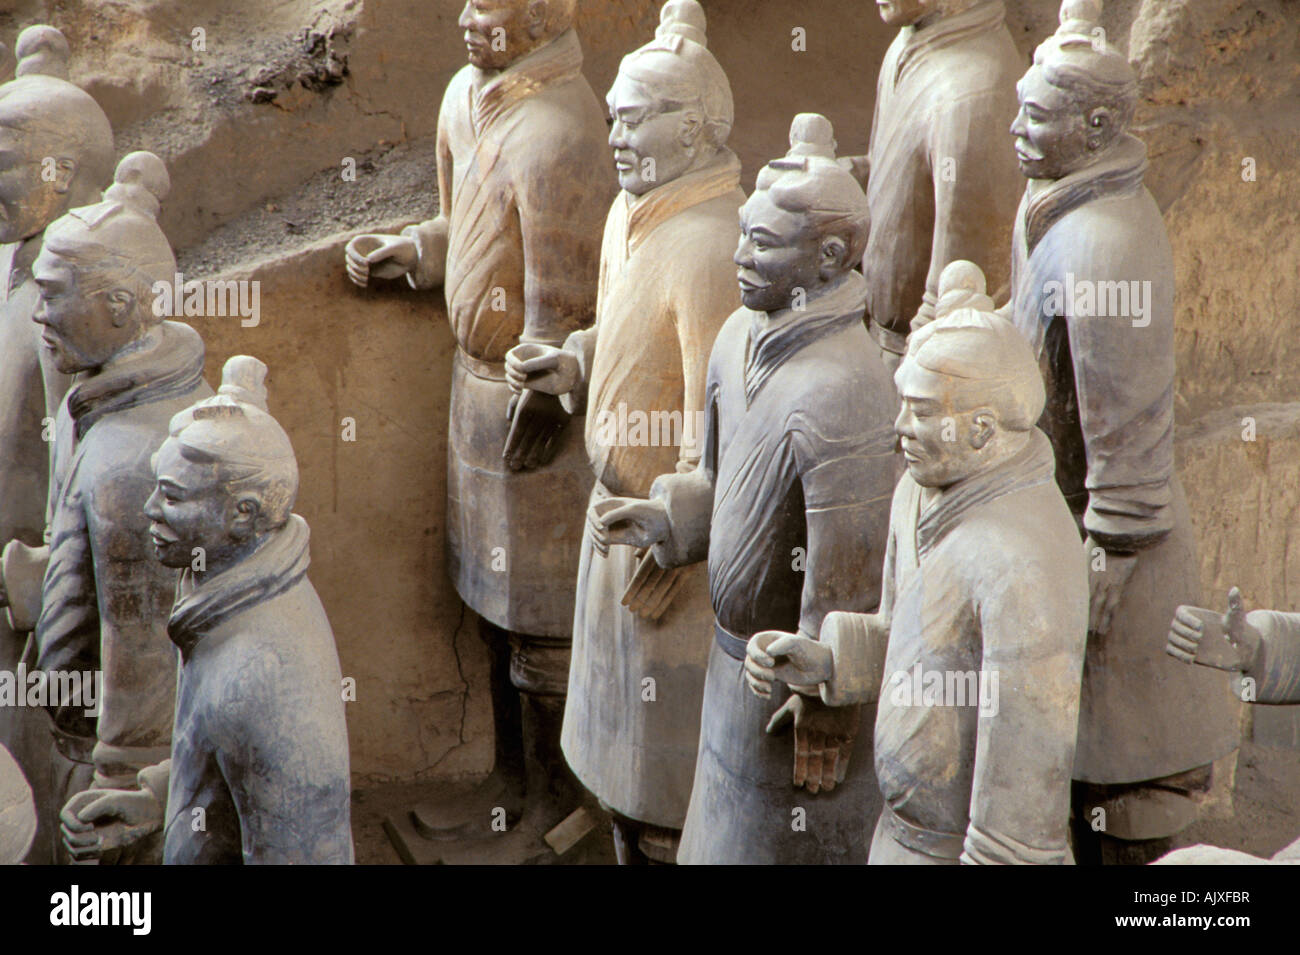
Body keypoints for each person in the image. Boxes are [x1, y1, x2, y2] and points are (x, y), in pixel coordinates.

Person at [595, 115, 897, 864]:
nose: (738, 256)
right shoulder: (737, 336)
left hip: (792, 708)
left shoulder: (848, 390)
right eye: (742, 235)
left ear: (828, 256)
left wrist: (829, 704)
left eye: (761, 243)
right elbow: (714, 477)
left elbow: (851, 579)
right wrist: (668, 519)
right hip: (731, 674)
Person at [342, 0, 613, 826]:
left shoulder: (562, 126)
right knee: (489, 607)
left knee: (541, 620)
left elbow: (570, 284)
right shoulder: (465, 95)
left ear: (535, 19)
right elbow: (464, 221)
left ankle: (556, 809)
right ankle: (510, 791)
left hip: (534, 402)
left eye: (487, 7)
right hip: (473, 390)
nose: (466, 18)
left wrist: (549, 391)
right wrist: (417, 251)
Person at [504, 0, 743, 864]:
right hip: (614, 527)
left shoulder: (715, 244)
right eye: (612, 118)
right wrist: (573, 363)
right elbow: (628, 335)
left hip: (667, 559)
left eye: (635, 120)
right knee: (617, 758)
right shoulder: (631, 215)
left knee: (666, 780)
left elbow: (721, 420)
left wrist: (678, 540)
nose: (613, 137)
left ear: (699, 128)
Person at [746, 272, 1089, 864]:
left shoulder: (1025, 563)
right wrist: (826, 661)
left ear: (982, 429)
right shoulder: (919, 491)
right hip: (900, 837)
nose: (899, 427)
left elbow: (1018, 824)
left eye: (922, 412)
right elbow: (906, 635)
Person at [1005, 0, 1239, 864]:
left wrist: (1104, 561)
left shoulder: (1103, 245)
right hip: (1066, 534)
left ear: (1097, 124)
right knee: (1076, 783)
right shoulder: (1056, 201)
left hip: (1117, 565)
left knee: (1124, 797)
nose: (1015, 126)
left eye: (1034, 114)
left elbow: (1130, 435)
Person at [0, 152, 211, 864]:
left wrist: (124, 793)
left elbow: (143, 671)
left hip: (106, 762)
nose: (38, 313)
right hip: (77, 719)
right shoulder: (116, 394)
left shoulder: (130, 461)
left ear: (119, 306)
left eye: (54, 294)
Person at [60, 357, 354, 864]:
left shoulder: (260, 677)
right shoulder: (223, 584)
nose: (150, 508)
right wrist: (156, 799)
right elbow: (220, 749)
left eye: (172, 496)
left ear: (243, 513)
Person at [0, 25, 113, 863]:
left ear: (59, 174)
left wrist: (48, 574)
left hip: (35, 584)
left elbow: (82, 461)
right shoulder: (16, 261)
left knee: (42, 750)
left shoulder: (69, 298)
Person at [844, 0, 1022, 368]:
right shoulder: (907, 45)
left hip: (923, 358)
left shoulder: (971, 96)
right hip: (878, 336)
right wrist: (846, 177)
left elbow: (961, 286)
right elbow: (897, 173)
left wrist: (915, 375)